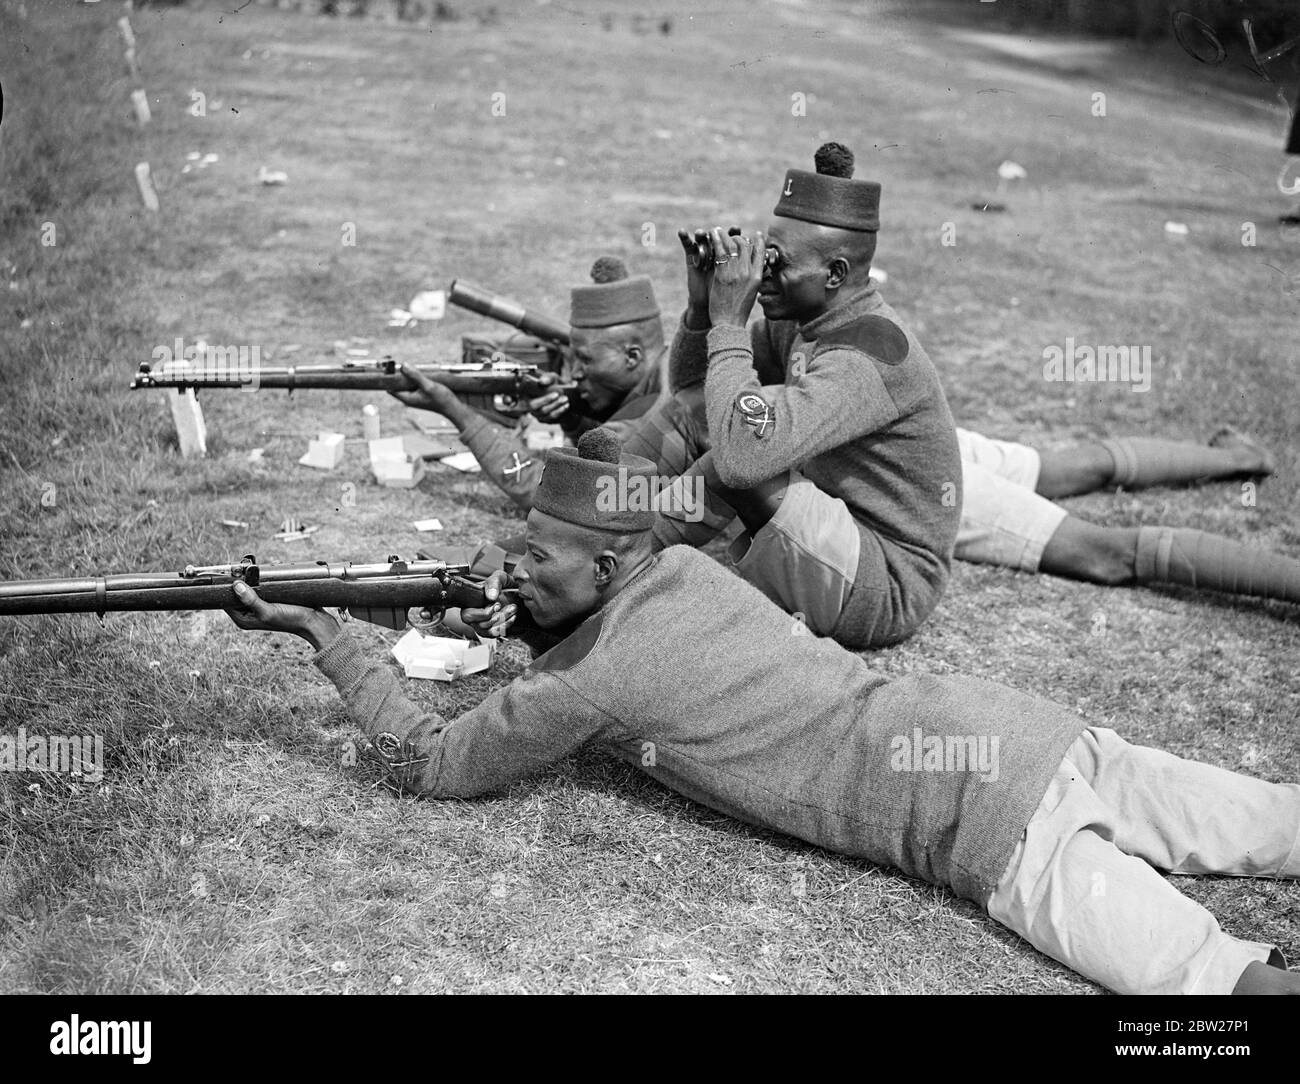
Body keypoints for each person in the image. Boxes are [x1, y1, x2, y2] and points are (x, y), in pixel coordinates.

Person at [225, 428, 1300, 996]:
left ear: (607, 562)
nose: (514, 576)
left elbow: (429, 762)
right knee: (1269, 821)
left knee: (1215, 984)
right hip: (1021, 726)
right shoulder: (685, 577)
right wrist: (526, 615)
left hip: (985, 823)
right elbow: (629, 644)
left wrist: (333, 638)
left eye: (532, 562)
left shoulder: (580, 688)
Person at [646, 141, 962, 647]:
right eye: (763, 253)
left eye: (778, 263)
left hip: (885, 584)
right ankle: (626, 542)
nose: (761, 273)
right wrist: (703, 310)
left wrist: (729, 324)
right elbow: (692, 396)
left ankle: (629, 562)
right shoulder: (804, 320)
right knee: (727, 427)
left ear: (835, 274)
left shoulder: (871, 350)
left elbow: (742, 463)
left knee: (746, 457)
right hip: (837, 534)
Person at [392, 257, 668, 508]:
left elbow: (559, 495)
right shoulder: (664, 372)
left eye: (585, 360)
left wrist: (456, 411)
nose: (576, 374)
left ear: (632, 356)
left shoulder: (648, 417)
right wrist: (571, 419)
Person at [959, 426, 1300, 604]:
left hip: (920, 459)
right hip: (922, 435)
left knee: (1105, 552)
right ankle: (1243, 458)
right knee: (1069, 468)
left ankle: (1242, 459)